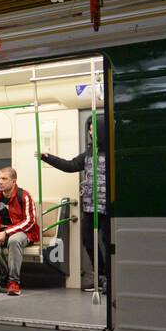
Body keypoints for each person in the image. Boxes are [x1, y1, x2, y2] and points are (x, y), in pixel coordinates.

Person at [41, 113, 109, 292]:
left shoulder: (112, 153)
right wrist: (47, 157)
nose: (90, 132)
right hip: (90, 206)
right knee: (89, 241)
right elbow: (70, 165)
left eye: (93, 128)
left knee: (108, 242)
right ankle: (100, 275)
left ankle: (111, 278)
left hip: (109, 206)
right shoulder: (88, 154)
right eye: (89, 129)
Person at [0, 166, 40, 297]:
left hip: (23, 233)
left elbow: (29, 221)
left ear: (13, 181)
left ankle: (13, 281)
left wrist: (6, 233)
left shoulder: (24, 196)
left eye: (4, 179)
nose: (0, 182)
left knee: (14, 241)